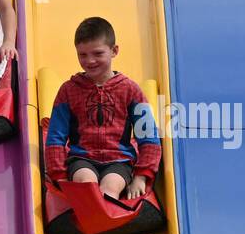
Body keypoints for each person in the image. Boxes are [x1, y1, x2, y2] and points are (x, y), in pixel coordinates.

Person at [44, 17, 161, 201]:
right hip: (81, 159)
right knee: (86, 184)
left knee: (110, 188)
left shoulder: (130, 90)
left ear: (114, 51)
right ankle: (91, 215)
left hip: (119, 160)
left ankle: (106, 221)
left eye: (98, 53)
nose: (90, 61)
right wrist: (59, 175)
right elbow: (55, 137)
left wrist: (140, 177)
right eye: (82, 55)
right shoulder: (68, 90)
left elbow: (148, 135)